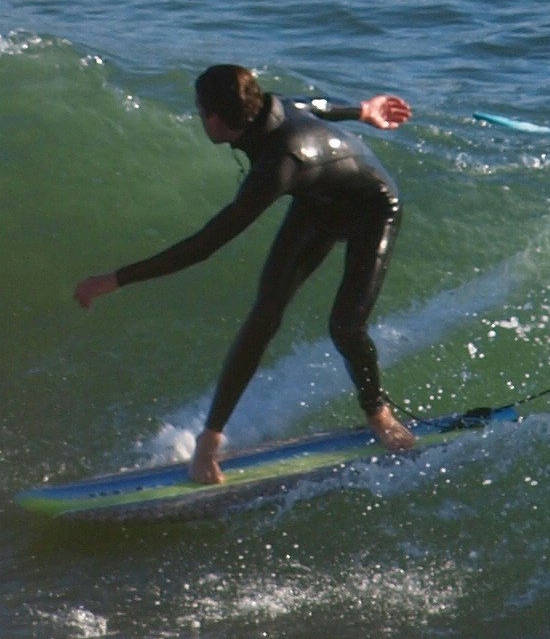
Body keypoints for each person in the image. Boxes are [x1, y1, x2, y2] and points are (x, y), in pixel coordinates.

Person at [73, 65, 423, 485]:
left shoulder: (280, 165)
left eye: (201, 111)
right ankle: (209, 441)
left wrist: (114, 279)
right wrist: (361, 111)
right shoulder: (269, 108)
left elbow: (205, 245)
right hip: (318, 202)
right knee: (264, 315)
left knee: (346, 327)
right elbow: (315, 105)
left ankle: (377, 411)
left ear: (216, 120)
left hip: (372, 209)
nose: (200, 117)